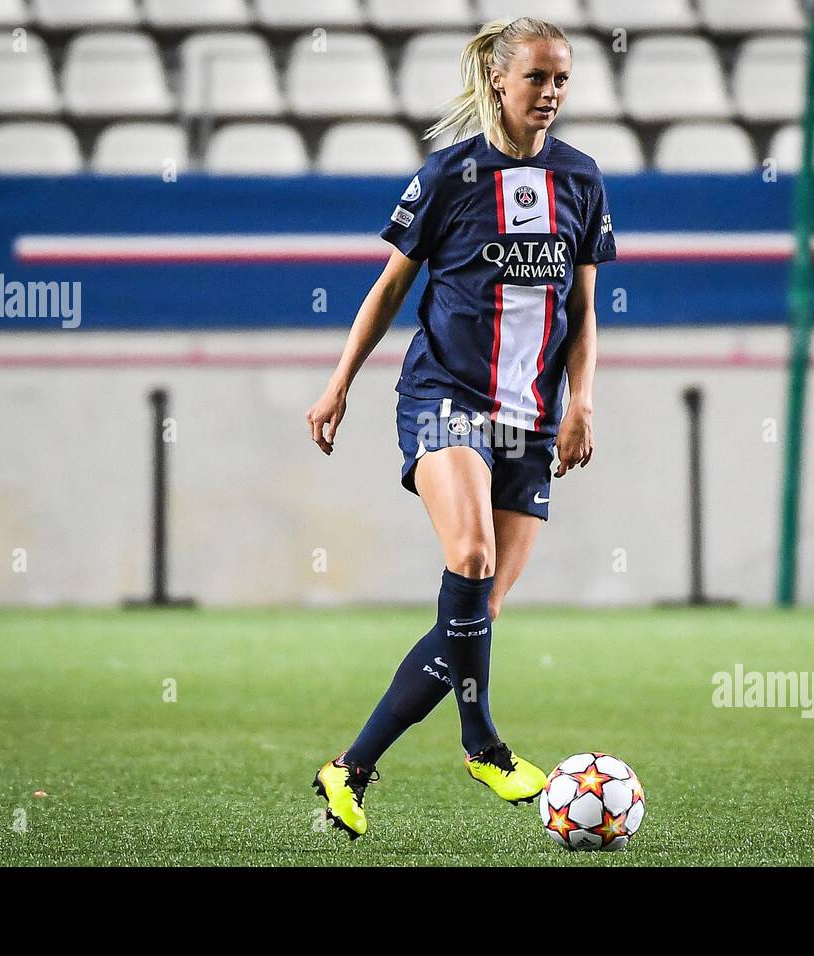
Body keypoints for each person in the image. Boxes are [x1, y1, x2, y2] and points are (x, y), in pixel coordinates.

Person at [305, 16, 617, 840]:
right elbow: (387, 290)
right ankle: (482, 741)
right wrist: (338, 385)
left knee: (477, 612)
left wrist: (582, 400)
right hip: (445, 394)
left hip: (534, 416)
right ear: (498, 82)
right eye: (537, 79)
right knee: (471, 557)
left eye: (561, 81)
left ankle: (349, 769)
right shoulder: (451, 175)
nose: (550, 94)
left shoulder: (581, 179)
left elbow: (584, 310)